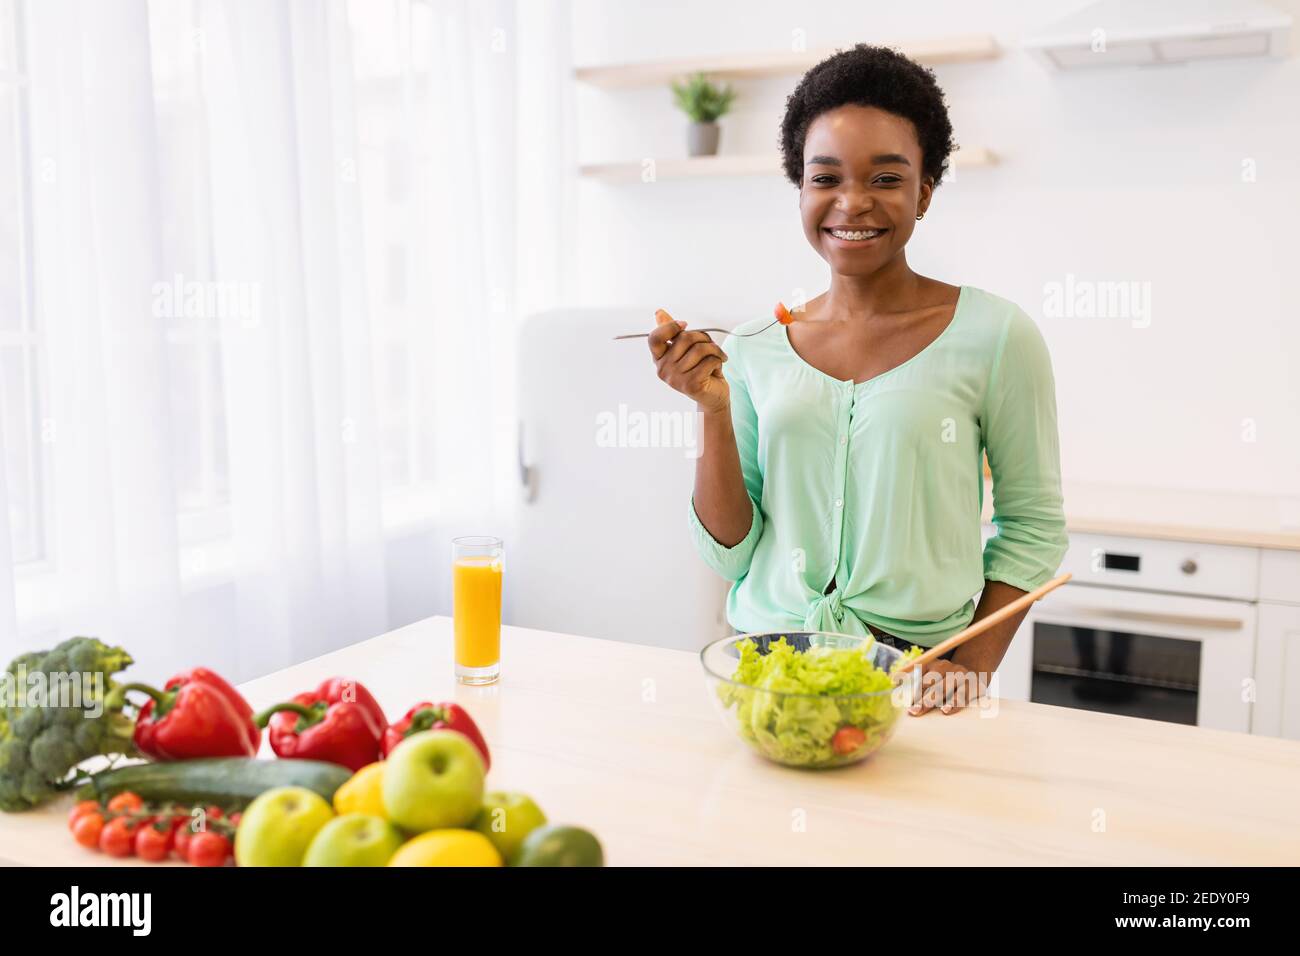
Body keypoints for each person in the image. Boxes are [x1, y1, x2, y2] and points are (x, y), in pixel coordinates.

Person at [648, 44, 1068, 715]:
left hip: (916, 684)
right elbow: (731, 555)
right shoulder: (755, 346)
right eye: (826, 178)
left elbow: (1034, 529)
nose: (852, 203)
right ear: (802, 189)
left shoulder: (997, 337)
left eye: (885, 178)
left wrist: (969, 668)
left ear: (925, 191)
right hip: (765, 673)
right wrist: (712, 411)